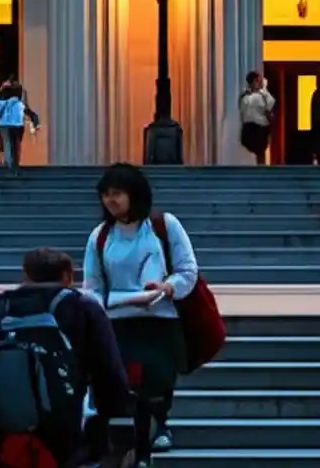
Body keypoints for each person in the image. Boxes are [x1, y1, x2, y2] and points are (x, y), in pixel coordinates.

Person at [0, 247, 130, 468]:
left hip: (5, 431)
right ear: (67, 275)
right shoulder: (83, 308)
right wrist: (109, 415)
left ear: (26, 274)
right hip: (67, 431)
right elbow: (109, 369)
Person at [84, 163, 198, 463]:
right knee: (126, 386)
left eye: (117, 193)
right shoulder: (100, 235)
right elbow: (92, 283)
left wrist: (168, 287)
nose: (111, 200)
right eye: (106, 194)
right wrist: (102, 305)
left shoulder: (164, 225)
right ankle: (136, 446)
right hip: (118, 322)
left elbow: (187, 269)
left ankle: (159, 427)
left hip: (159, 319)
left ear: (135, 194)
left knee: (157, 382)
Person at [0, 81, 27, 173]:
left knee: (8, 143)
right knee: (13, 144)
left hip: (6, 124)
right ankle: (12, 164)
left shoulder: (3, 98)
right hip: (15, 124)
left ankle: (10, 165)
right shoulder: (15, 98)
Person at [239, 71, 275, 164]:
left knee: (260, 150)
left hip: (260, 127)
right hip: (251, 126)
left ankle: (261, 167)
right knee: (258, 149)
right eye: (257, 81)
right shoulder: (247, 95)